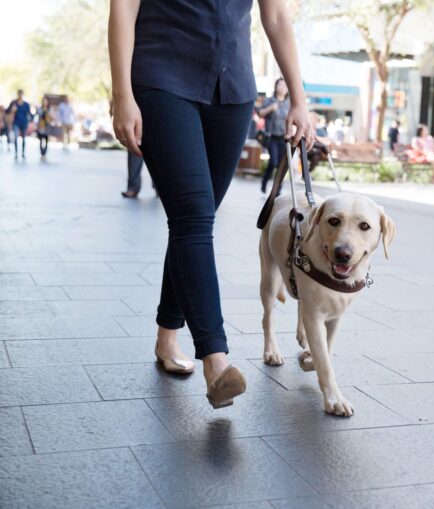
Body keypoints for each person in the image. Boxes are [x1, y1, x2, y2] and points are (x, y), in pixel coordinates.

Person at [109, 0, 314, 408]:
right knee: (193, 220)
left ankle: (167, 336)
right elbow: (123, 9)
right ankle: (216, 361)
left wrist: (299, 97)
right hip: (161, 81)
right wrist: (122, 93)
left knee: (194, 221)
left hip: (232, 91)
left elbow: (274, 17)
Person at [258, 77, 291, 194]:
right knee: (273, 162)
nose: (282, 88)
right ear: (276, 87)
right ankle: (265, 180)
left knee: (281, 165)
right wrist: (270, 108)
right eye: (280, 85)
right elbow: (260, 113)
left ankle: (278, 189)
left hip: (284, 138)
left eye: (285, 86)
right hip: (271, 137)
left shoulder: (289, 103)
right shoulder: (269, 100)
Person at [8, 89, 32, 160]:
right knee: (16, 137)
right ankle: (16, 153)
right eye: (19, 94)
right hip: (16, 123)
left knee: (24, 139)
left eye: (21, 94)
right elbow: (8, 111)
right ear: (17, 94)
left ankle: (23, 153)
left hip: (24, 123)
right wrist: (12, 110)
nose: (20, 96)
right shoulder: (14, 103)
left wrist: (30, 121)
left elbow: (29, 114)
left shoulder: (26, 104)